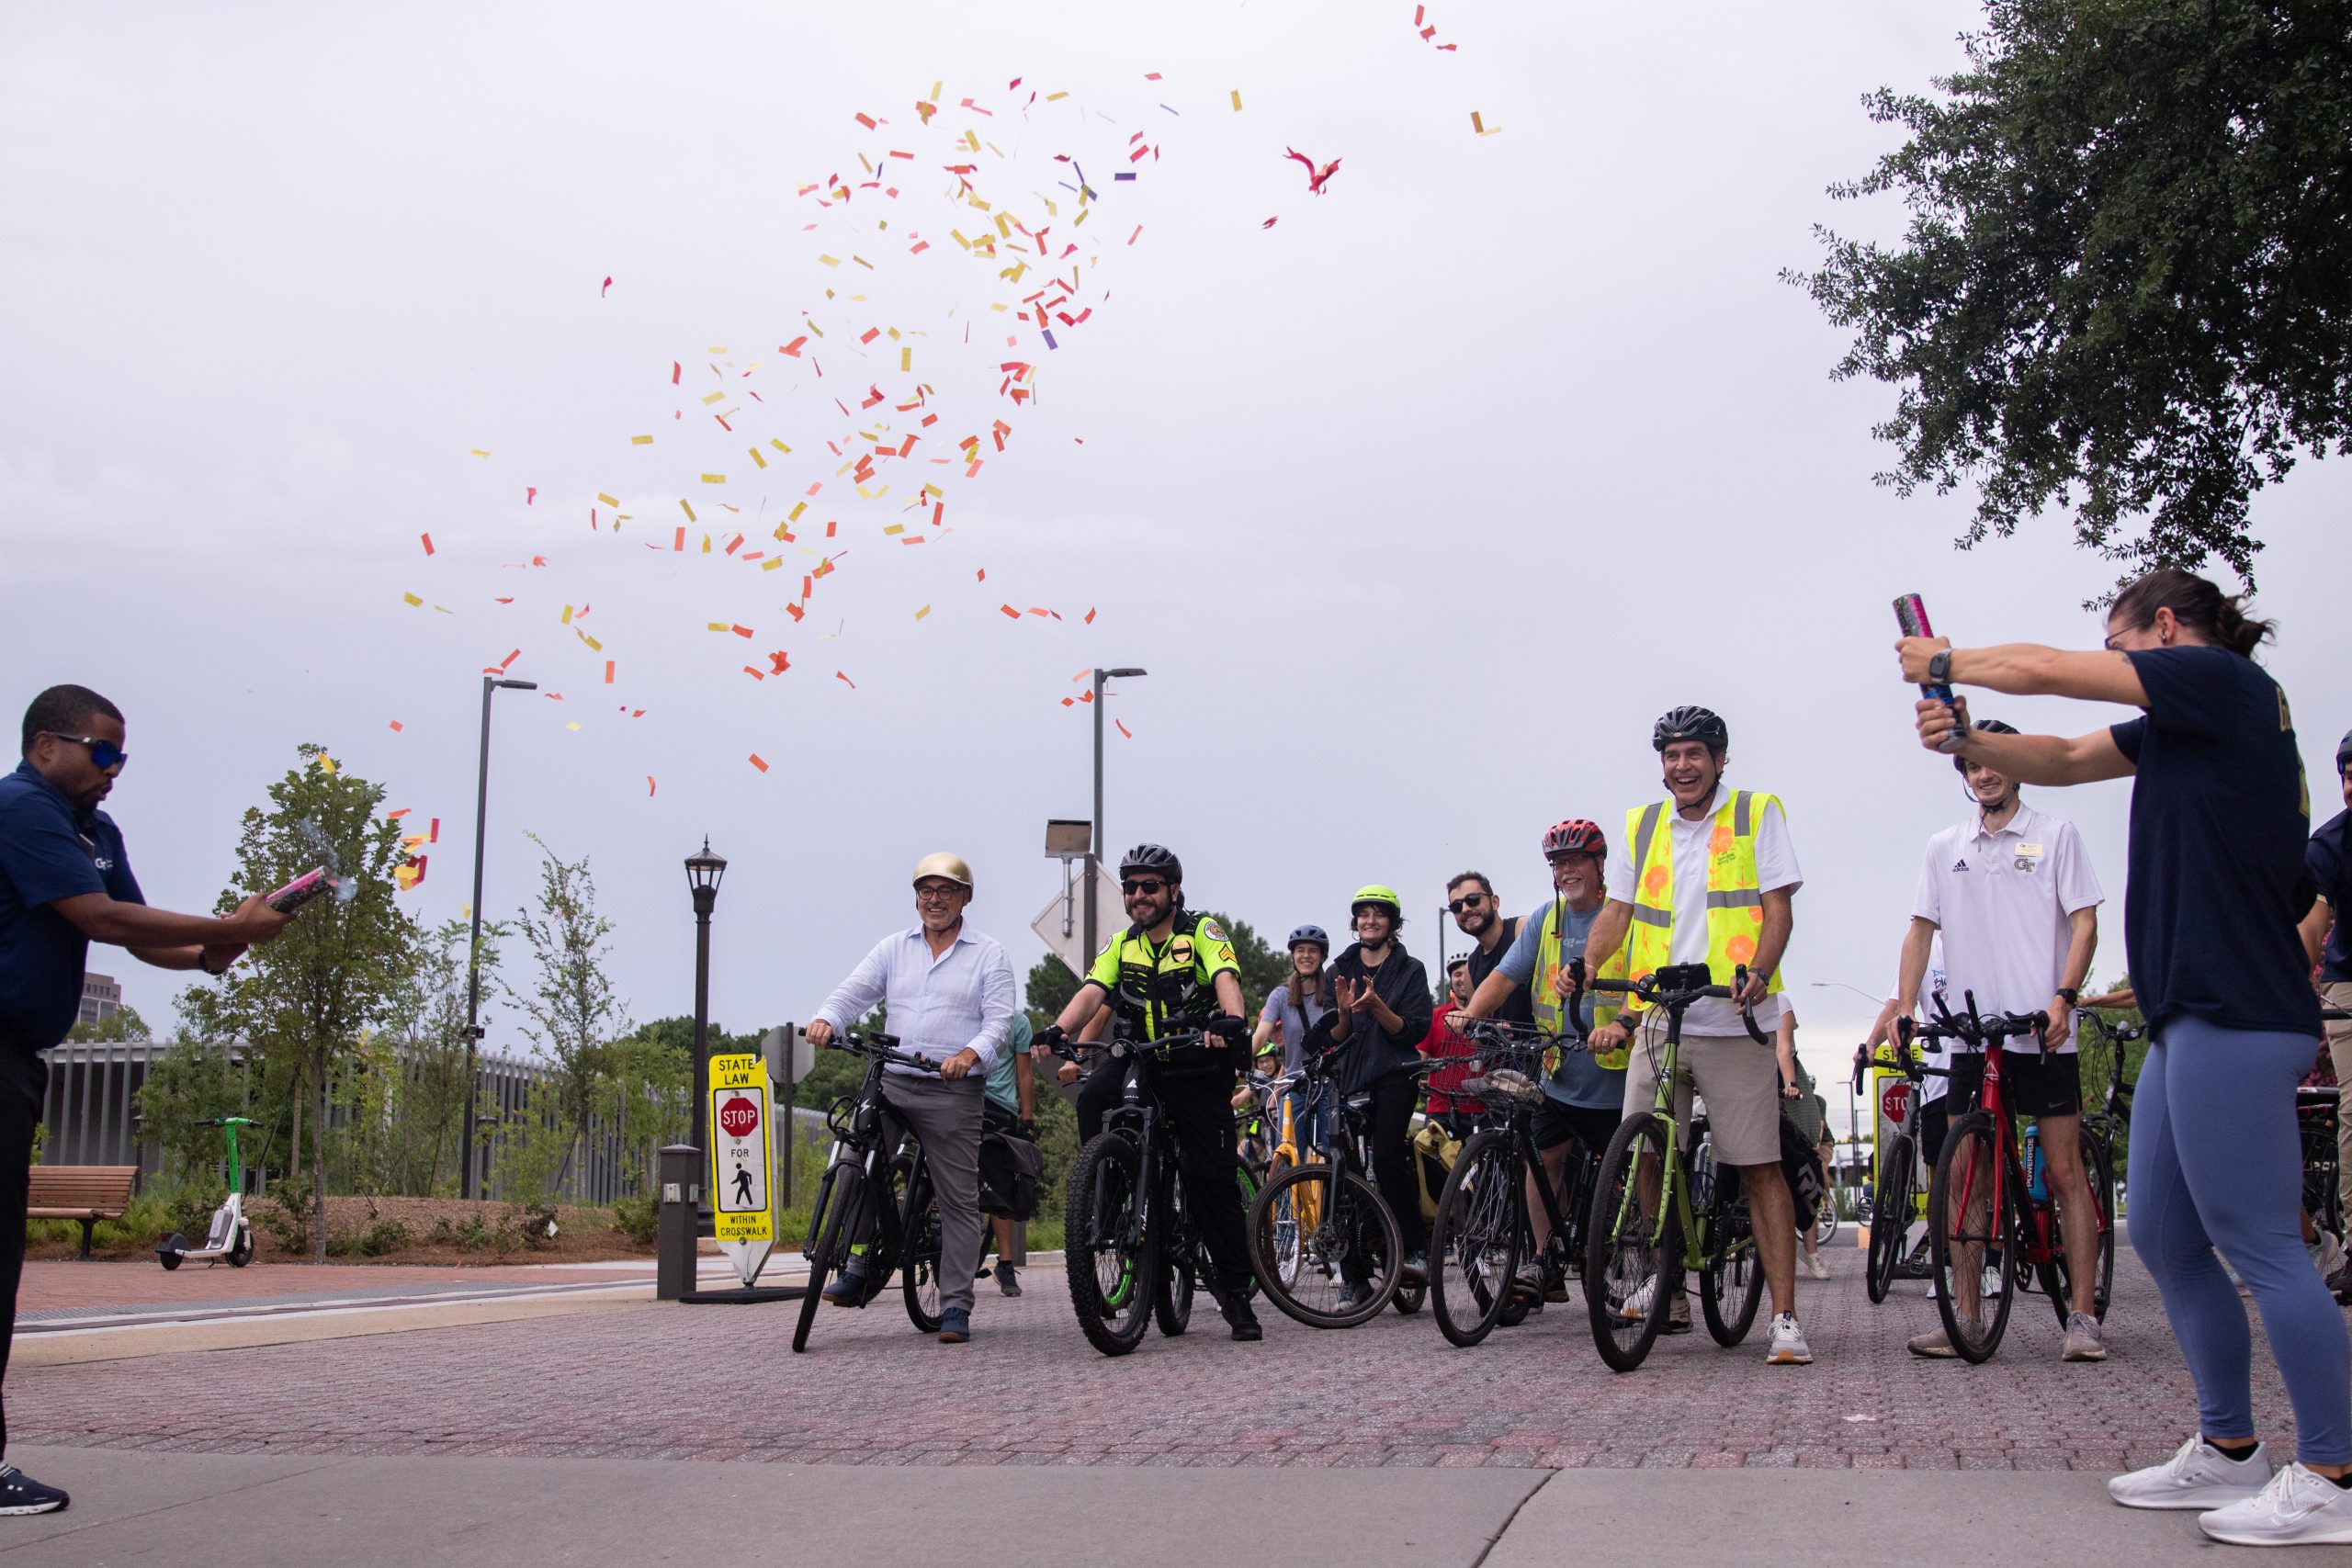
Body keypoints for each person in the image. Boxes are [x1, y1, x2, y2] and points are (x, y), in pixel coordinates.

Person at [1900, 568, 2349, 1543]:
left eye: (2124, 645)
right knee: (2168, 1240)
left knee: (2264, 1248)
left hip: (2239, 1006)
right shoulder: (2194, 721)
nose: (2118, 663)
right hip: (2191, 1011)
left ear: (2161, 626)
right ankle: (2229, 1448)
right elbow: (2059, 754)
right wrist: (1969, 740)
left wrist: (1944, 659)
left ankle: (2335, 1474)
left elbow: (2052, 673)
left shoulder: (2219, 679)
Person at [0, 685, 293, 1515]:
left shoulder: (93, 829)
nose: (115, 769)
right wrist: (224, 922)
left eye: (121, 755)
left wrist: (214, 949)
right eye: (101, 752)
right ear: (44, 744)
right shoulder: (20, 808)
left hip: (21, 1057)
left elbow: (125, 930)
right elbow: (95, 910)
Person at [1583, 706, 1814, 1366]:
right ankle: (1668, 1282)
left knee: (1758, 1163)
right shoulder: (1642, 823)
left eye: (1695, 753)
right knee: (1646, 1148)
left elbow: (1778, 910)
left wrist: (1761, 973)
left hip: (1731, 1014)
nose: (1682, 765)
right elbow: (1619, 911)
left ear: (1718, 758)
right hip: (1661, 1013)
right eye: (1672, 754)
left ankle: (1786, 1319)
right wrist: (1591, 966)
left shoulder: (1755, 811)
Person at [1891, 716, 2109, 1362]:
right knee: (1964, 1176)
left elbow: (2085, 923)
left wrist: (2064, 996)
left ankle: (2083, 1317)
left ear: (2014, 762)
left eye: (1992, 759)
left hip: (2042, 1032)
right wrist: (1906, 1005)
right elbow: (1919, 931)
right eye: (1970, 763)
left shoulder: (2055, 834)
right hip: (1969, 1035)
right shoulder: (1943, 845)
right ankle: (1965, 1316)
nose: (1983, 773)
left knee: (2065, 1170)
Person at [1035, 844, 1261, 1341]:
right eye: (1131, 887)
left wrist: (1231, 1020)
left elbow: (1227, 979)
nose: (1139, 896)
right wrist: (1056, 1030)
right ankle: (1108, 1187)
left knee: (1209, 1179)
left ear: (1173, 891)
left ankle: (1234, 1291)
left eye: (1150, 887)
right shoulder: (1123, 944)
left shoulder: (1203, 931)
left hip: (1198, 1061)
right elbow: (1092, 991)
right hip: (1143, 1056)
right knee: (1095, 1097)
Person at [806, 852, 1013, 1345]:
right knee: (860, 1160)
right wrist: (827, 1018)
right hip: (894, 1080)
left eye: (946, 890)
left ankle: (956, 1304)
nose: (934, 899)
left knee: (957, 1197)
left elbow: (999, 1023)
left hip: (952, 1088)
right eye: (926, 890)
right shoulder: (893, 948)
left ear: (966, 897)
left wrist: (969, 1053)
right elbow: (854, 992)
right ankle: (858, 1265)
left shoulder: (988, 953)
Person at [1457, 820, 1627, 1303]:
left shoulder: (1625, 914)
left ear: (1600, 864)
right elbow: (1507, 976)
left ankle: (1652, 1271)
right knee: (1544, 1160)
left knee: (1630, 1174)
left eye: (1577, 860)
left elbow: (1645, 976)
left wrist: (1623, 1024)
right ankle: (1542, 1257)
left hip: (1616, 1074)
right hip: (1561, 1072)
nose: (1567, 870)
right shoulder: (1544, 920)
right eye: (1559, 863)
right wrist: (1468, 1015)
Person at [1310, 885, 1435, 1292]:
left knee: (1385, 1155)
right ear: (1355, 922)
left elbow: (1411, 1032)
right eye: (1363, 913)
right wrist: (1344, 1013)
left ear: (1392, 923)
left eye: (1379, 913)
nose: (1370, 920)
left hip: (1395, 1072)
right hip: (1349, 1077)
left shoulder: (1410, 969)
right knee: (1343, 1173)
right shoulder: (1338, 969)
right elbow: (1335, 1036)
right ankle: (1355, 1276)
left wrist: (1377, 1005)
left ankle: (1414, 1251)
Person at [2301, 728, 2352, 1298]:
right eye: (2347, 774)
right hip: (2347, 985)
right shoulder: (2329, 845)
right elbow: (2313, 920)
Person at [1252, 925, 1332, 1162]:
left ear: (1322, 957)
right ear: (1292, 956)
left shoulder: (1331, 994)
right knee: (1287, 1151)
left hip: (1328, 1083)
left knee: (1330, 1154)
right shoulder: (1280, 996)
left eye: (1312, 951)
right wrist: (1237, 1061)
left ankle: (1332, 1196)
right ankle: (1286, 1196)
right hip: (1296, 1083)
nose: (1306, 956)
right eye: (1300, 950)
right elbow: (1261, 1034)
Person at [978, 1011, 1035, 1297]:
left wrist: (1027, 1120)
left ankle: (1005, 1263)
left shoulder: (1018, 1022)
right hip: (963, 1094)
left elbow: (1024, 1073)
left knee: (1001, 1187)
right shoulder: (962, 1009)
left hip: (1000, 1106)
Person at [1775, 1009, 1834, 1281]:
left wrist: (1789, 1083)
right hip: (1750, 1077)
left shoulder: (1779, 1002)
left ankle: (1810, 1252)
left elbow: (1784, 1048)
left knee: (1805, 1167)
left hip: (1789, 1083)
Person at [1447, 871, 1531, 1026]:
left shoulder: (1522, 929)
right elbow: (1478, 1033)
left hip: (1553, 1044)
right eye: (1456, 906)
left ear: (1495, 902)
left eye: (1473, 900)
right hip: (1508, 1050)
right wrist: (1490, 1033)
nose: (1465, 909)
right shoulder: (1470, 970)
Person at [1420, 956, 1487, 1141]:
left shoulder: (1491, 1016)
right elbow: (1420, 1057)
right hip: (1442, 1109)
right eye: (1457, 974)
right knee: (1434, 1165)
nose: (1463, 979)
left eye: (1467, 974)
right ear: (1451, 980)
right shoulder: (1436, 1016)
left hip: (1485, 1110)